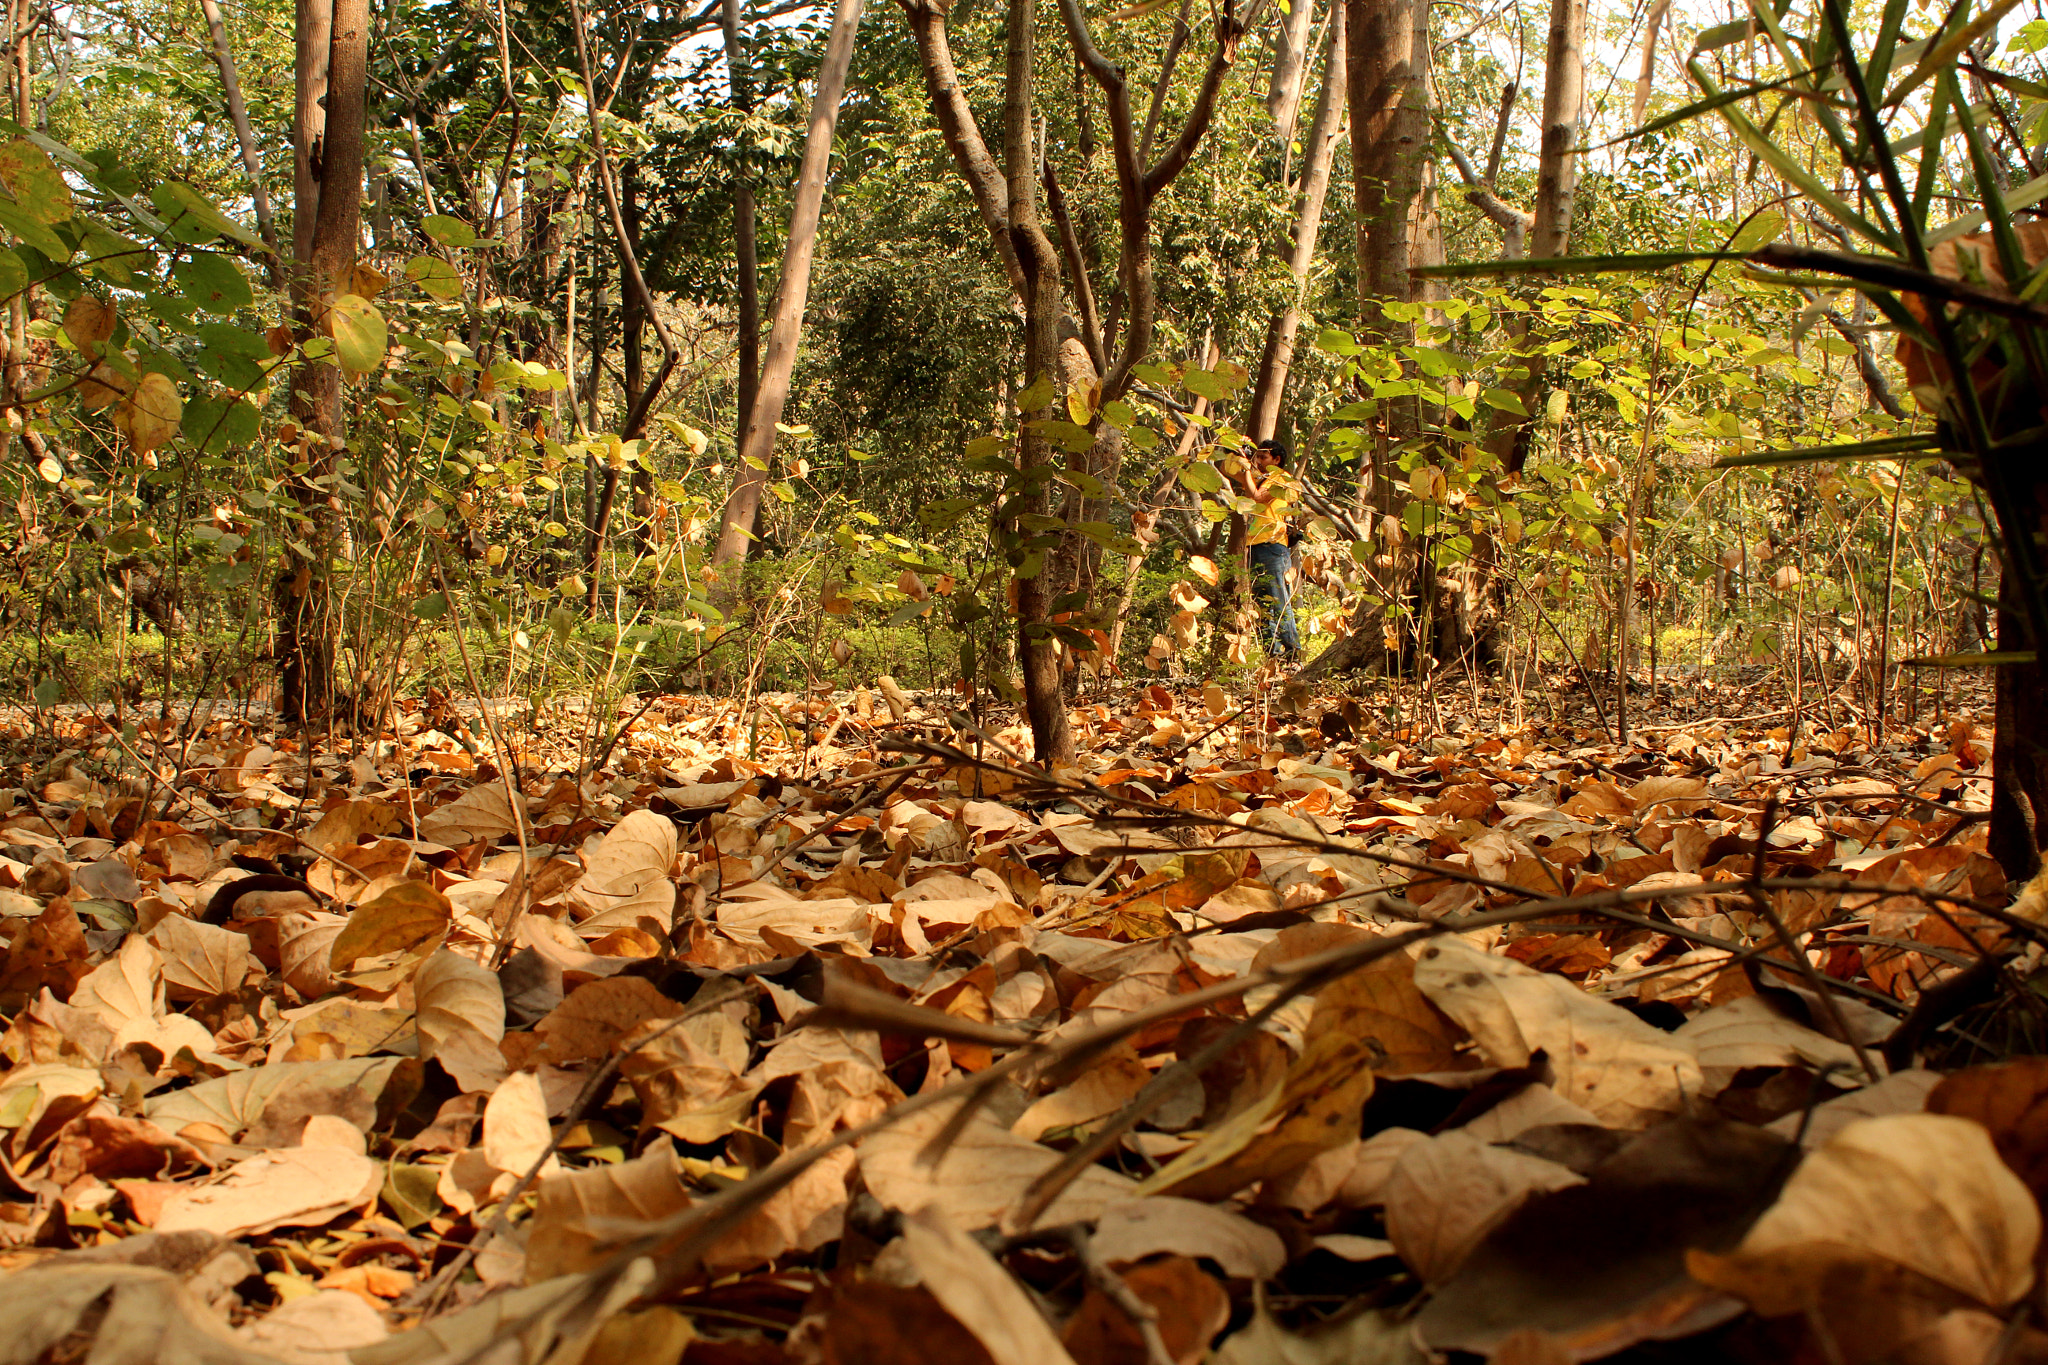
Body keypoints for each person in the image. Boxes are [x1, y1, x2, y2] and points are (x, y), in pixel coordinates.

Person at [1238, 438, 1301, 662]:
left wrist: (1247, 469)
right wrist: (1240, 459)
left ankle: (1293, 653)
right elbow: (1239, 480)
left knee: (1278, 599)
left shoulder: (1280, 479)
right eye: (1257, 456)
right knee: (1261, 602)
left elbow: (1257, 497)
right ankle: (1272, 657)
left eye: (1263, 457)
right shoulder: (1260, 479)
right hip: (1255, 544)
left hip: (1273, 545)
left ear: (1277, 459)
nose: (1258, 460)